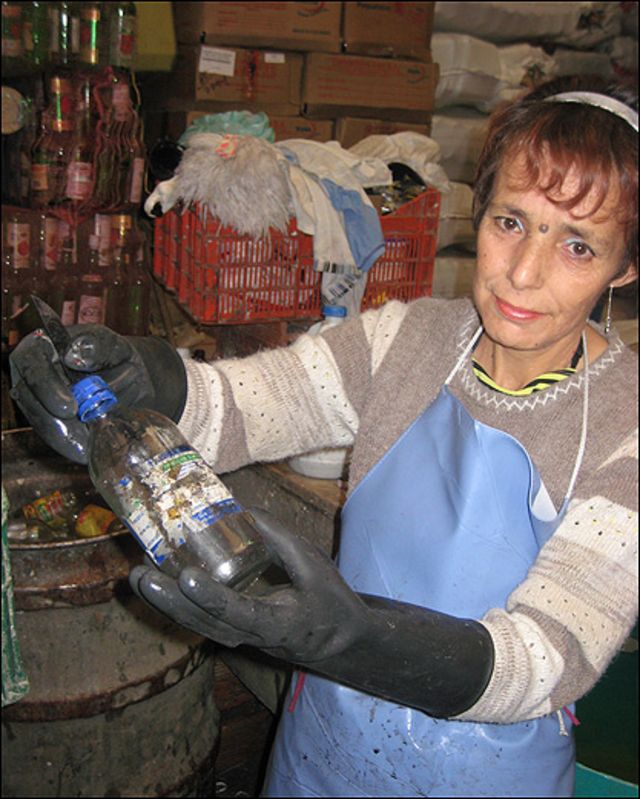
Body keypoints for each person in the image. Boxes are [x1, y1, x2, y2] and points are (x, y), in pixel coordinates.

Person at [9, 75, 638, 797]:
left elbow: (548, 654)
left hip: (484, 776)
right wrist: (146, 378)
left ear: (626, 263)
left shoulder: (626, 423)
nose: (524, 273)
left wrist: (356, 639)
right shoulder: (409, 340)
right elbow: (245, 404)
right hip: (324, 752)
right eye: (512, 222)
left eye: (580, 246)